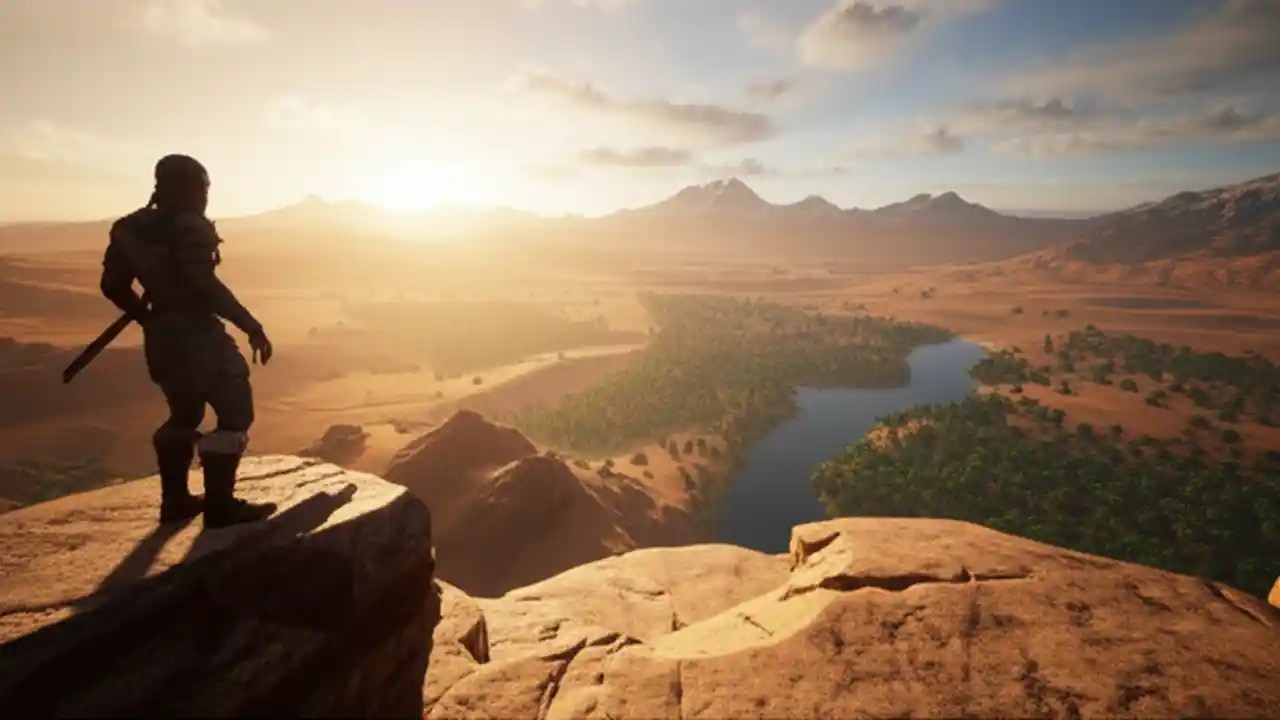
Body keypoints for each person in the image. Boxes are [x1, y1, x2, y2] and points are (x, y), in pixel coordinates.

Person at [100, 154, 277, 527]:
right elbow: (204, 284)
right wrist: (251, 325)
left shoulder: (129, 228)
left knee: (184, 413)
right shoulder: (190, 227)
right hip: (199, 335)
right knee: (235, 413)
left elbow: (113, 285)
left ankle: (176, 501)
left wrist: (148, 319)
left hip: (161, 338)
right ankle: (219, 507)